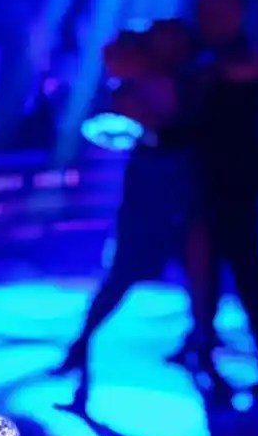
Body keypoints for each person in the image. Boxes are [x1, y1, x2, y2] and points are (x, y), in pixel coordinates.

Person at [54, 25, 208, 379]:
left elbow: (165, 129)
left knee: (195, 270)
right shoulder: (131, 90)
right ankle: (82, 345)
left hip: (175, 192)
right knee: (128, 273)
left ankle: (202, 342)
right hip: (151, 194)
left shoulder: (168, 84)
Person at [194, 0, 258, 402]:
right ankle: (205, 351)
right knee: (209, 273)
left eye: (217, 11)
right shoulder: (216, 58)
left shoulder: (241, 59)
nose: (208, 18)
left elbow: (253, 80)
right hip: (213, 181)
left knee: (247, 275)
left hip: (234, 183)